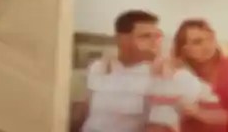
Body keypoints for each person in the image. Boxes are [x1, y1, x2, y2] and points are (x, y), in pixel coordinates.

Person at [75, 10, 213, 132]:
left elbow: (212, 100)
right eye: (145, 36)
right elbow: (86, 111)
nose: (154, 42)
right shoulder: (98, 67)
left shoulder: (173, 76)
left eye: (157, 36)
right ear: (121, 40)